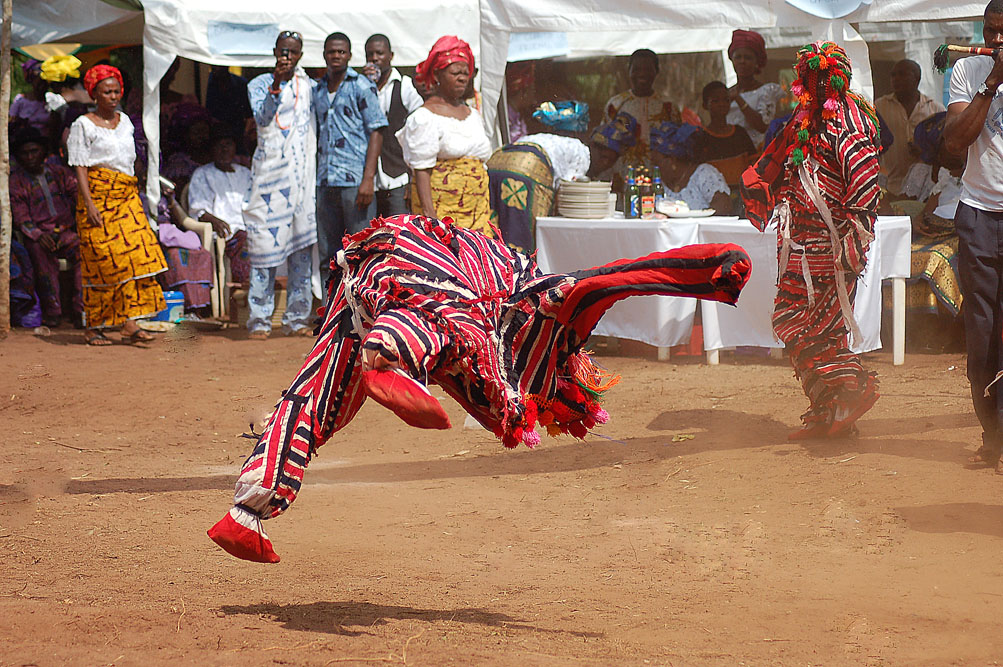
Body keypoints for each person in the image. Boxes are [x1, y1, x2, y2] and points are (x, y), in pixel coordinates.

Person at [206, 213, 752, 563]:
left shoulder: (524, 317)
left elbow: (608, 280)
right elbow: (603, 281)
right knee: (449, 327)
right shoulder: (528, 314)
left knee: (315, 398)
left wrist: (704, 272)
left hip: (371, 281)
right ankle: (388, 360)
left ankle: (246, 514)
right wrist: (706, 270)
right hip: (415, 272)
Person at [741, 41, 881, 438]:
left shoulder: (850, 122)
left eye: (824, 78)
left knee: (820, 333)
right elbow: (776, 162)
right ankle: (830, 411)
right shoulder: (803, 120)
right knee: (790, 322)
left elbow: (865, 184)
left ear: (839, 79)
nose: (817, 86)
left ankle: (851, 387)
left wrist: (854, 242)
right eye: (809, 78)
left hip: (833, 249)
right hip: (798, 246)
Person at [943, 0, 1003, 471]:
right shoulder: (969, 70)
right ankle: (992, 435)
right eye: (990, 31)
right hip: (980, 215)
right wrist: (993, 81)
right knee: (981, 332)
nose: (997, 40)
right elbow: (955, 139)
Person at [67, 64, 167, 346]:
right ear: (94, 95)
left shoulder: (125, 121)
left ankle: (130, 323)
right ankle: (95, 326)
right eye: (106, 92)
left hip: (126, 197)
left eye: (116, 91)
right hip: (97, 197)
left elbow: (131, 159)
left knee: (139, 255)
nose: (113, 96)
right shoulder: (83, 125)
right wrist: (89, 205)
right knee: (103, 262)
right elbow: (81, 168)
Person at [243, 30, 317, 340]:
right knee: (263, 245)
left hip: (300, 179)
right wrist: (276, 84)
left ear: (300, 55)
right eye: (283, 50)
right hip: (269, 178)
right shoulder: (258, 84)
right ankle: (259, 319)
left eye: (293, 52)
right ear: (275, 51)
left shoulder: (310, 87)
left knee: (300, 248)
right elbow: (262, 119)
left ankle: (297, 318)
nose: (287, 56)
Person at [398, 36, 493, 236]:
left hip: (478, 214)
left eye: (466, 73)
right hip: (442, 216)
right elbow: (421, 169)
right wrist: (430, 217)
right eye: (455, 72)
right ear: (437, 75)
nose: (462, 78)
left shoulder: (473, 115)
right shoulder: (425, 117)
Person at [313, 32, 387, 283]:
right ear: (324, 55)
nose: (336, 56)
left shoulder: (361, 85)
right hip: (324, 182)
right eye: (332, 52)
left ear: (349, 55)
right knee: (328, 255)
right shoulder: (318, 89)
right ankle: (331, 315)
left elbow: (376, 131)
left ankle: (363, 316)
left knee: (361, 252)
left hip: (355, 182)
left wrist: (368, 179)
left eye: (341, 52)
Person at [10, 127, 82, 327]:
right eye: (25, 153)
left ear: (43, 151)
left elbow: (78, 198)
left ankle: (81, 311)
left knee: (85, 251)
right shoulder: (16, 182)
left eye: (34, 151)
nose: (31, 157)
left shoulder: (60, 173)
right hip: (39, 236)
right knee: (40, 257)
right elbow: (20, 216)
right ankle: (53, 312)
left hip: (67, 232)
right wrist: (38, 235)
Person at [487, 132, 591, 251]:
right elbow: (566, 185)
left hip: (495, 161)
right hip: (527, 168)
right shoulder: (582, 156)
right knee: (521, 226)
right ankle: (519, 263)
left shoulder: (553, 141)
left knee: (496, 219)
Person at [363, 34, 425, 218]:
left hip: (398, 178)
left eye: (379, 53)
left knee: (399, 236)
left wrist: (412, 178)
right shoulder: (362, 86)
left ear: (391, 55)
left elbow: (419, 132)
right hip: (369, 181)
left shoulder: (405, 86)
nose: (374, 58)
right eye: (370, 54)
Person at [592, 48, 681, 175]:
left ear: (656, 71)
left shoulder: (668, 106)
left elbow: (677, 146)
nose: (642, 74)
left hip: (660, 177)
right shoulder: (615, 104)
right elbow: (603, 145)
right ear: (629, 71)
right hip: (624, 176)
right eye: (637, 69)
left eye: (648, 69)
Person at [188, 125, 253, 284]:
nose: (224, 150)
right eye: (220, 145)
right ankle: (243, 294)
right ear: (212, 149)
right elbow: (198, 210)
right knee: (245, 243)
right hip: (226, 234)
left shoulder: (244, 173)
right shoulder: (203, 174)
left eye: (228, 145)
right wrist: (215, 221)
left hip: (250, 229)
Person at [874, 59, 945, 195]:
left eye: (902, 74)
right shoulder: (880, 107)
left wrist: (925, 154)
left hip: (925, 189)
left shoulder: (935, 109)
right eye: (893, 75)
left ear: (917, 78)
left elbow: (945, 152)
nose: (896, 79)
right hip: (889, 186)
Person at [651, 122, 732, 213]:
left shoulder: (704, 174)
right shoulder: (659, 185)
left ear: (671, 160)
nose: (653, 168)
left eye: (656, 163)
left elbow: (724, 206)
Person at [727, 29, 784, 148]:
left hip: (757, 155)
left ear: (757, 62)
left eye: (747, 58)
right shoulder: (727, 93)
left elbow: (763, 126)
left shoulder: (767, 91)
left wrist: (739, 99)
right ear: (732, 60)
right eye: (738, 57)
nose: (742, 61)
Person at [696, 81, 757, 189]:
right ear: (705, 105)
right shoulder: (701, 138)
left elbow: (754, 165)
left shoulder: (740, 133)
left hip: (742, 196)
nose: (722, 104)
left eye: (726, 100)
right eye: (715, 101)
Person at [11, 60, 51, 136]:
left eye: (44, 84)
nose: (42, 87)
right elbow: (12, 121)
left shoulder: (51, 101)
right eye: (39, 84)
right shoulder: (20, 100)